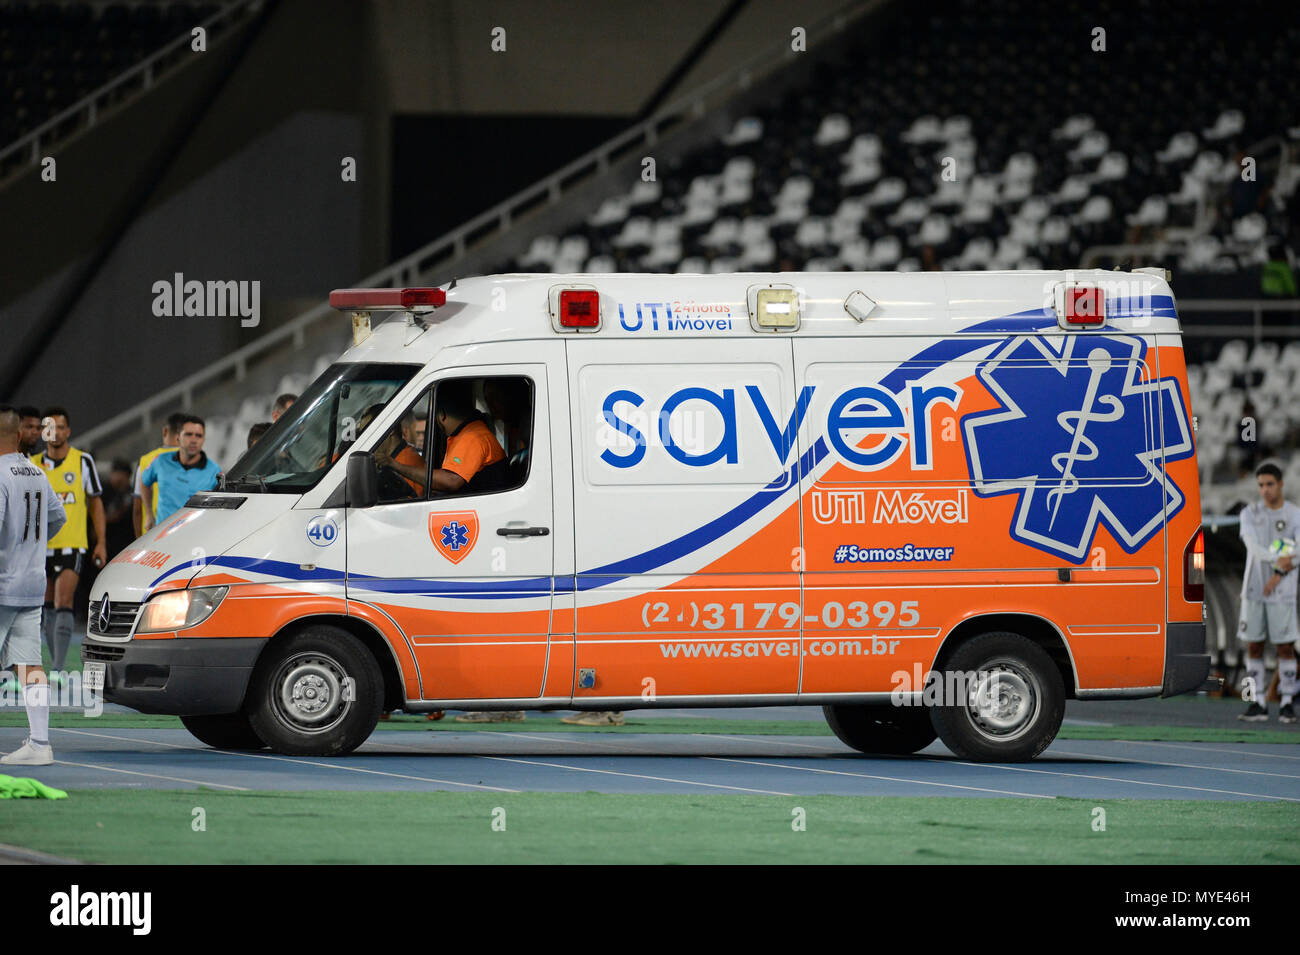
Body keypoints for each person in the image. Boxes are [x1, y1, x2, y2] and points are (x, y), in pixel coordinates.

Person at [0, 407, 68, 766]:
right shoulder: (37, 473)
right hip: (31, 584)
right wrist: (32, 547)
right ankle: (40, 743)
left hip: (3, 584)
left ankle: (39, 745)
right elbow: (59, 517)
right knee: (29, 664)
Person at [31, 406, 105, 677]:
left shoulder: (83, 461)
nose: (55, 432)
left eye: (60, 427)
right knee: (47, 605)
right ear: (43, 432)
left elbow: (96, 503)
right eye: (49, 427)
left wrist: (101, 542)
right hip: (39, 547)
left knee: (64, 601)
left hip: (73, 544)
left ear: (68, 431)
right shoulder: (32, 464)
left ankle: (59, 669)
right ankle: (54, 663)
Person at [1238, 462, 1300, 723]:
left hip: (1282, 592)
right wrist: (1286, 556)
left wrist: (1283, 570)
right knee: (1253, 645)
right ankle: (1256, 702)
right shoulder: (1249, 513)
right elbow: (1254, 547)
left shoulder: (1295, 514)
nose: (1265, 490)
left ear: (1281, 484)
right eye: (1261, 485)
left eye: (1270, 484)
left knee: (1285, 647)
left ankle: (1287, 702)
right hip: (1254, 589)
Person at [138, 415, 221, 525]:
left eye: (198, 436)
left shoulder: (214, 471)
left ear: (203, 440)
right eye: (188, 434)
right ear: (178, 438)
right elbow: (144, 482)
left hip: (197, 536)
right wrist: (149, 514)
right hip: (163, 536)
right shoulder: (161, 461)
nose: (193, 440)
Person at [429, 381, 506, 495]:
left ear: (442, 416)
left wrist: (402, 468)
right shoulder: (465, 434)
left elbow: (452, 481)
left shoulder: (473, 436)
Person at [133, 411, 185, 536]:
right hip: (185, 534)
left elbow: (137, 509)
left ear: (165, 432)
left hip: (153, 539)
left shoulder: (146, 462)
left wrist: (138, 541)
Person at [102, 460, 137, 558]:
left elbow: (117, 515)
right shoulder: (103, 491)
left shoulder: (131, 494)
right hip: (106, 542)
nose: (118, 480)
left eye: (122, 478)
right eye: (116, 475)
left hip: (126, 543)